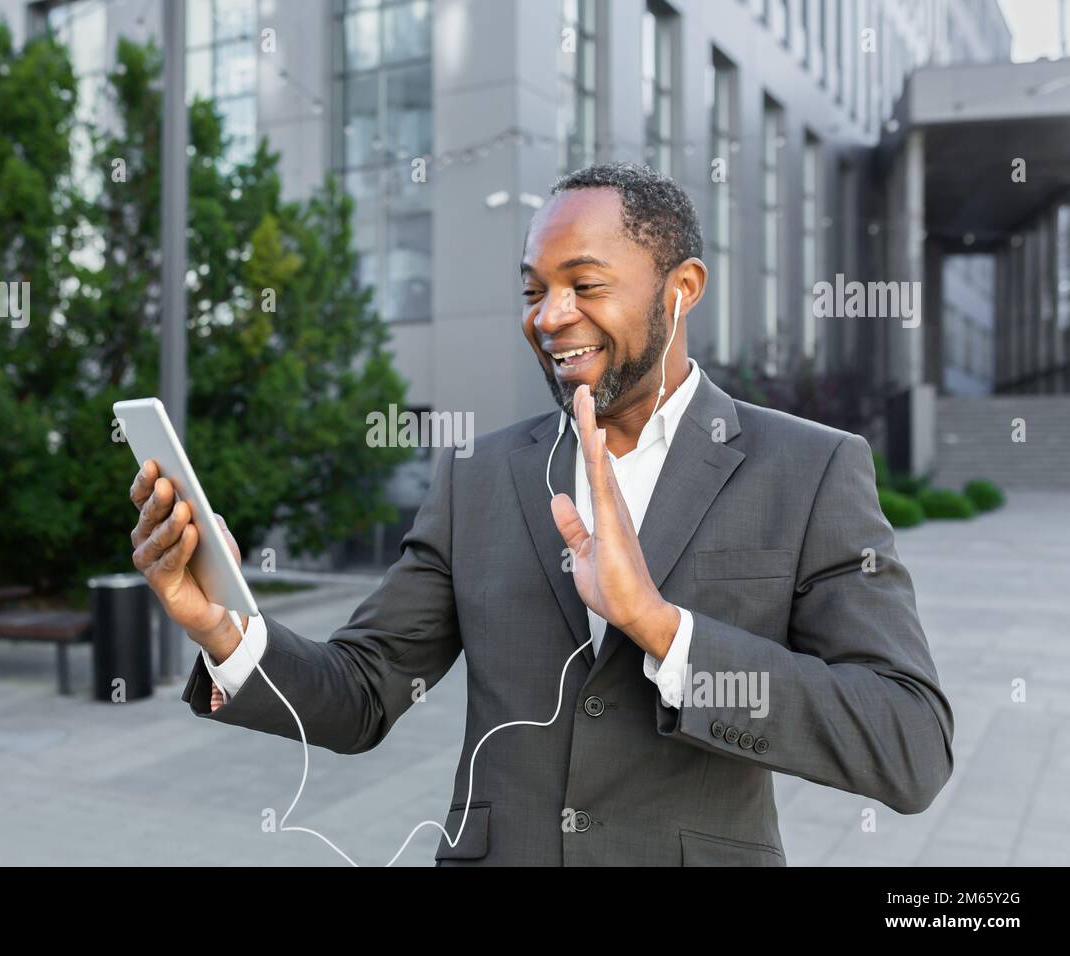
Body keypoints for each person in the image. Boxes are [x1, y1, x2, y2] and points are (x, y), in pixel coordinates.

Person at [128, 161, 952, 866]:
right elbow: (360, 694)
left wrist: (664, 629)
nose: (550, 316)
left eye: (584, 285)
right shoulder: (481, 476)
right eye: (535, 290)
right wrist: (222, 626)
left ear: (682, 288)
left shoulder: (809, 470)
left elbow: (909, 743)